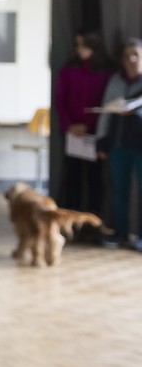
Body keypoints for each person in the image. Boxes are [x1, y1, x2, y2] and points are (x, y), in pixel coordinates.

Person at [54, 31, 112, 217]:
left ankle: (93, 220)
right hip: (72, 132)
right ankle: (71, 219)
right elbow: (60, 99)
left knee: (95, 178)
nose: (80, 49)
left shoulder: (105, 71)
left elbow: (105, 102)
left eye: (84, 45)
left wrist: (87, 125)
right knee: (72, 178)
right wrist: (69, 125)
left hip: (94, 132)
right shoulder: (69, 69)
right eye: (77, 45)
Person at [95, 37, 142, 250]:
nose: (132, 59)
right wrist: (101, 141)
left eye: (136, 55)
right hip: (118, 146)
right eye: (128, 56)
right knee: (119, 191)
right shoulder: (115, 81)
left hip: (140, 147)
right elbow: (105, 112)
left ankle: (139, 236)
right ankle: (120, 233)